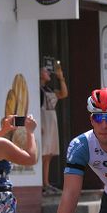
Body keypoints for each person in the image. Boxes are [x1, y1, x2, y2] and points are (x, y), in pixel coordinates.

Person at [40, 62, 67, 194]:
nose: (48, 73)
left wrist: (61, 77)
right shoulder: (38, 89)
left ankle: (46, 183)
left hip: (52, 121)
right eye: (45, 71)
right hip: (44, 122)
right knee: (43, 154)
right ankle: (42, 183)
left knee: (49, 154)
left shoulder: (49, 89)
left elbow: (64, 93)